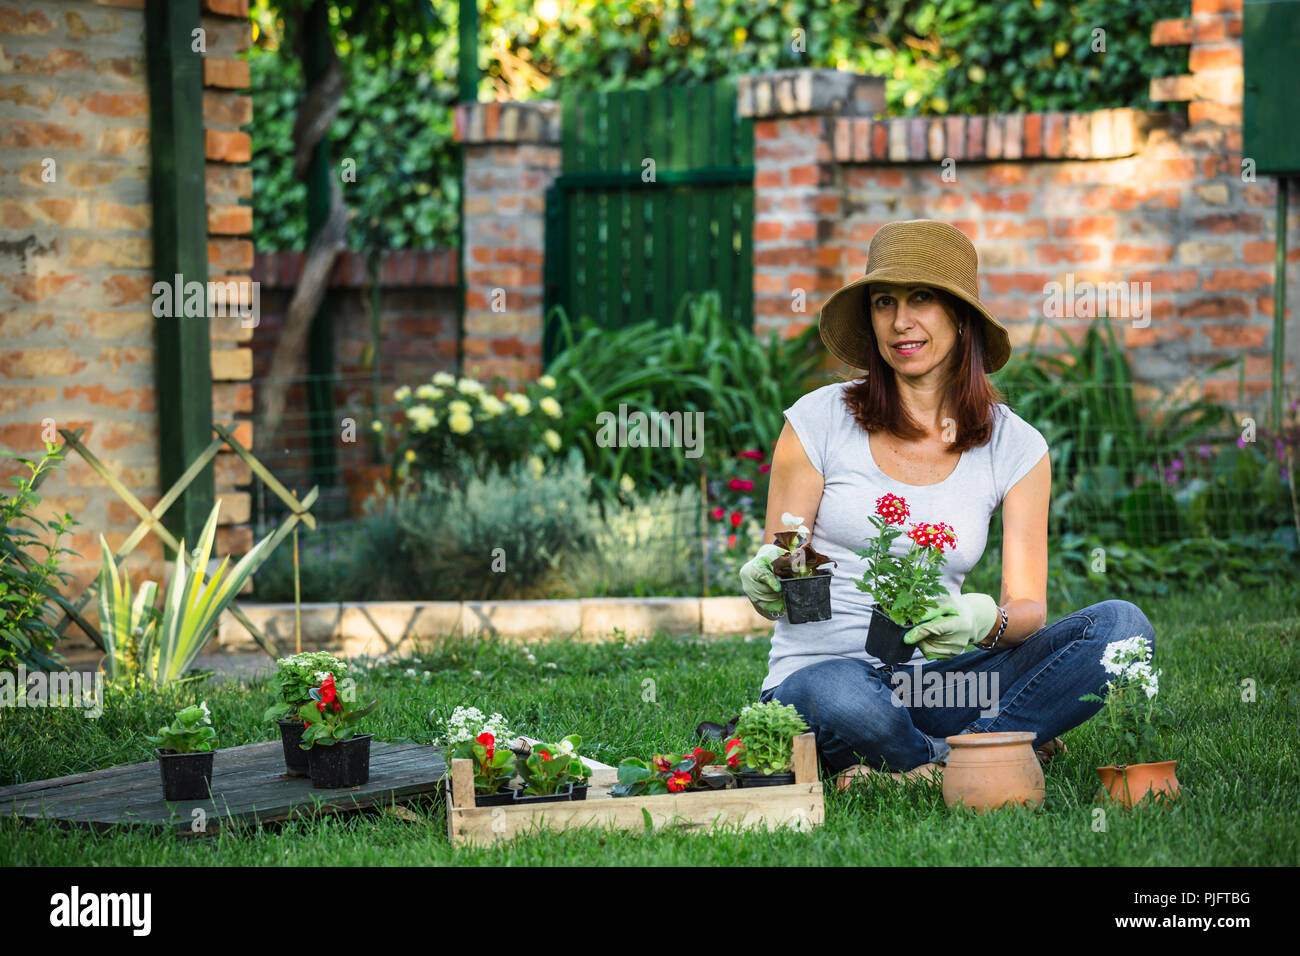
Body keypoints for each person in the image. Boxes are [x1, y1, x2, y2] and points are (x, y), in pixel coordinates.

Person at [739, 219, 1156, 789]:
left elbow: (1028, 608)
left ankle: (921, 765)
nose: (900, 322)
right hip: (820, 681)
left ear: (961, 318)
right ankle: (989, 752)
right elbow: (784, 570)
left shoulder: (1017, 446)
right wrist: (766, 580)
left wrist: (986, 622)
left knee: (1120, 627)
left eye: (922, 300)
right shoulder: (817, 421)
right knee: (839, 693)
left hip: (933, 686)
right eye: (884, 302)